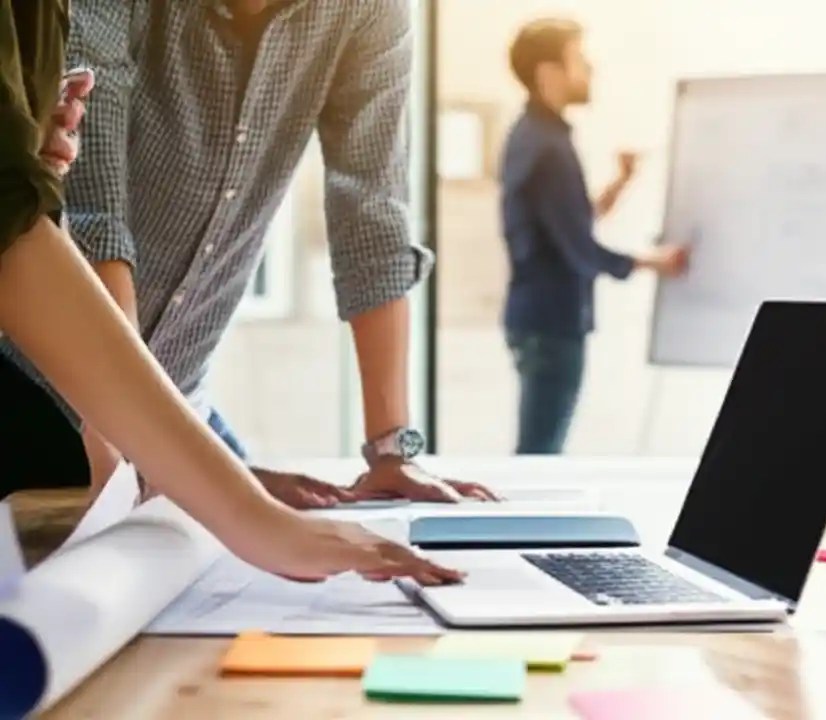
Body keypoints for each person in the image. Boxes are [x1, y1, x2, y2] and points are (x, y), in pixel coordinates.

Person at [0, 1, 459, 586]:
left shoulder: (365, 11)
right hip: (41, 393)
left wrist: (392, 449)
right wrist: (204, 492)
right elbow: (84, 212)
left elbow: (373, 215)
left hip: (173, 414)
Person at [500, 18, 689, 455]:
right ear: (549, 73)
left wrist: (621, 182)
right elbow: (580, 250)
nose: (590, 69)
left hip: (539, 319)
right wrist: (654, 262)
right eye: (579, 60)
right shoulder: (547, 147)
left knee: (539, 451)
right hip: (551, 323)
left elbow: (569, 221)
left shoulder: (535, 136)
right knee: (539, 456)